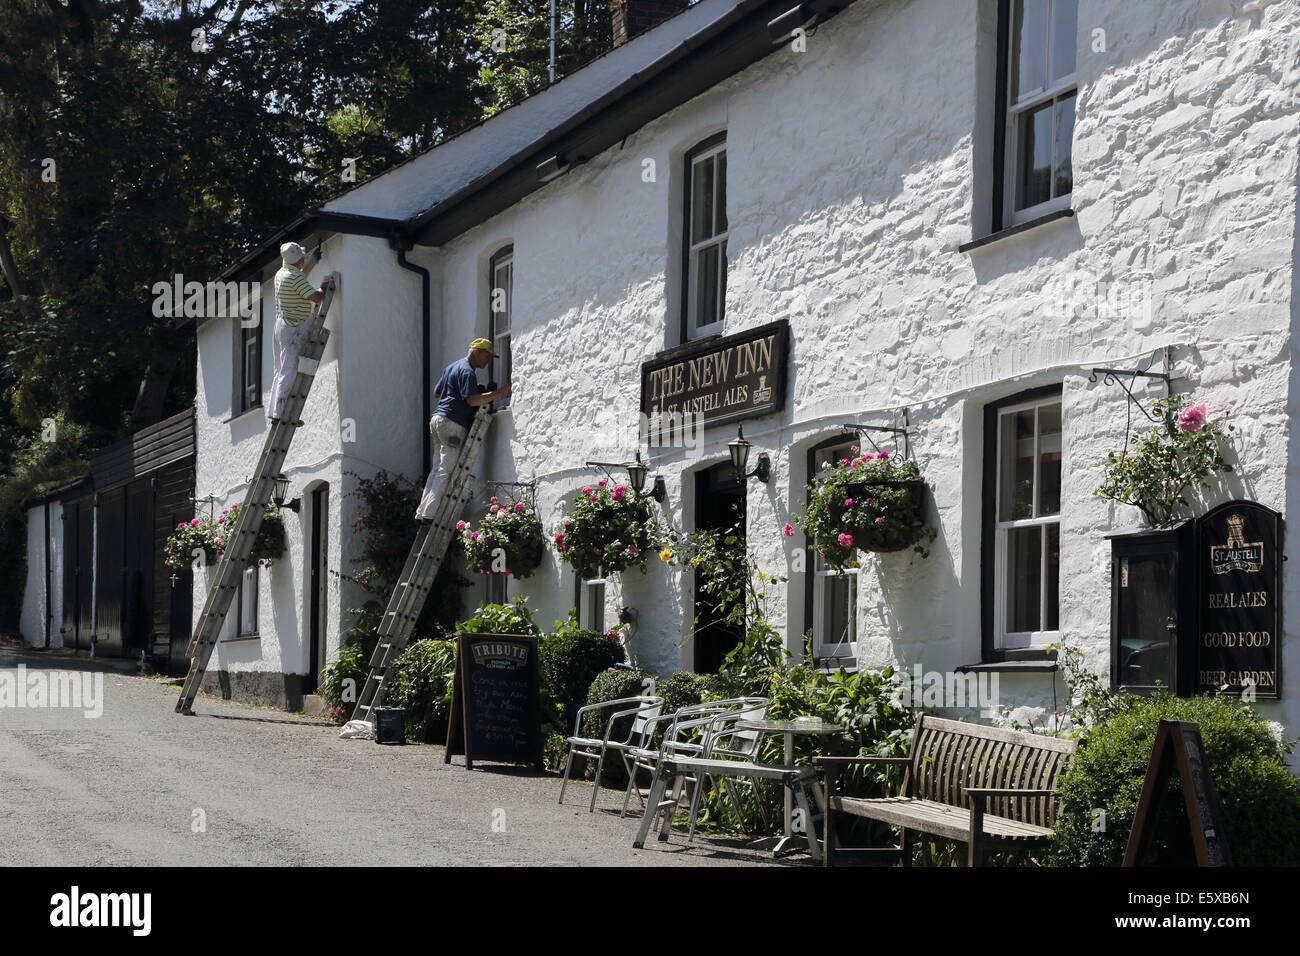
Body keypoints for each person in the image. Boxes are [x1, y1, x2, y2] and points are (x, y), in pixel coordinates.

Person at [414, 338, 512, 521]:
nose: (489, 360)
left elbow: (438, 392)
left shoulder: (453, 367)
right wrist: (499, 393)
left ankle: (422, 511)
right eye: (487, 356)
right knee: (446, 470)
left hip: (437, 420)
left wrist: (459, 393)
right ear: (476, 352)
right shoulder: (467, 372)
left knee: (437, 468)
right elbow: (472, 401)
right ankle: (430, 514)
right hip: (452, 423)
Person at [268, 241, 326, 423]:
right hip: (294, 328)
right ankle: (281, 415)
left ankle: (274, 412)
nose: (304, 259)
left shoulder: (282, 273)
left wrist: (313, 262)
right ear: (299, 260)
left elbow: (300, 278)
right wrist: (325, 286)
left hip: (281, 326)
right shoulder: (294, 277)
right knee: (290, 369)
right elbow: (316, 297)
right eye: (303, 257)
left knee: (280, 369)